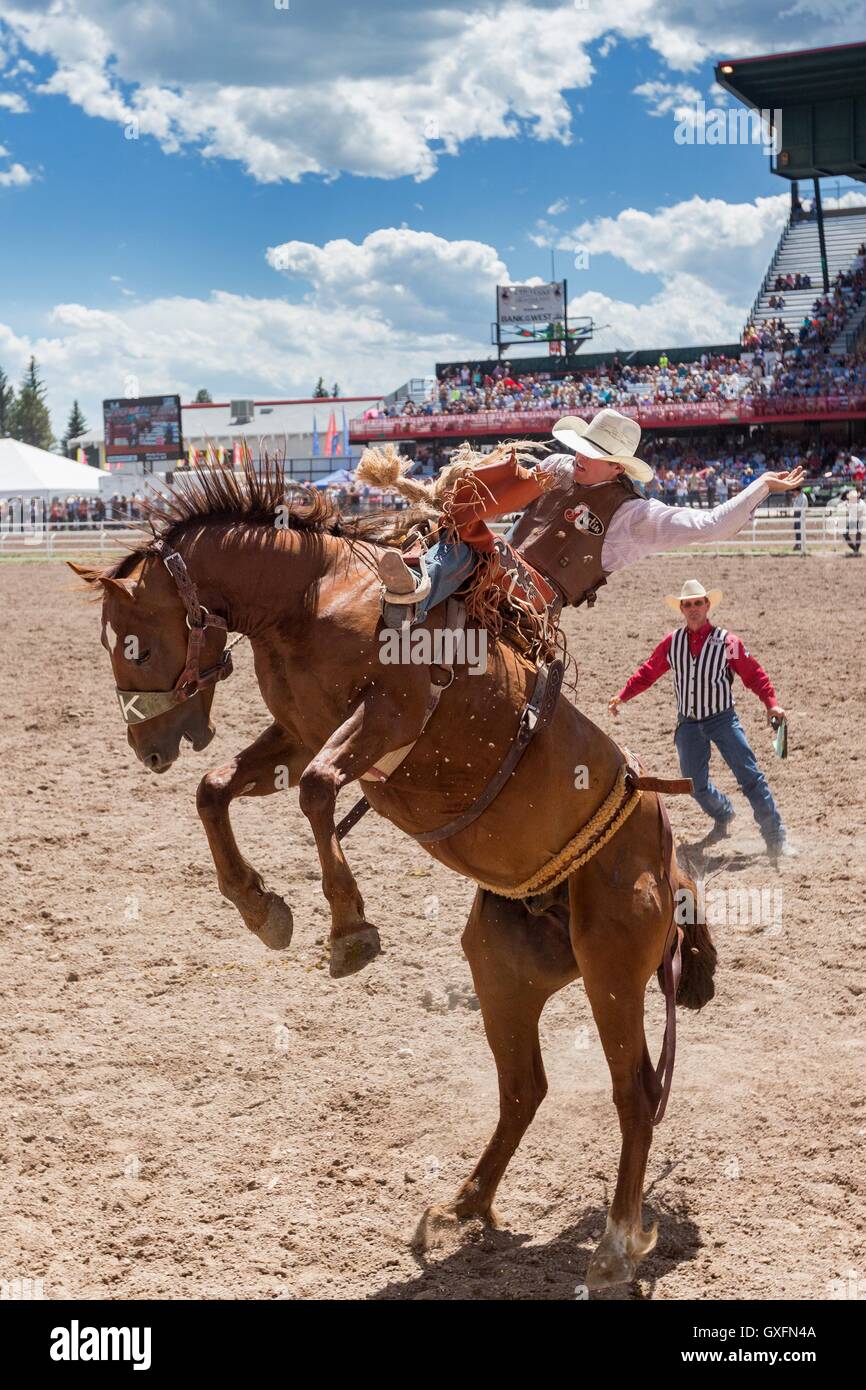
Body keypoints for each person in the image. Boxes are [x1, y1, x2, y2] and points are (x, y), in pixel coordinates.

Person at [374, 408, 806, 626]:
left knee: (473, 550)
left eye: (595, 454)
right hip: (503, 565)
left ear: (617, 467)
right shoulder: (560, 469)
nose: (582, 456)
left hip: (537, 596)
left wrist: (763, 485)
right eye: (583, 446)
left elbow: (712, 525)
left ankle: (412, 596)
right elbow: (503, 493)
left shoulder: (635, 517)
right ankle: (413, 581)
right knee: (452, 533)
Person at [608, 579, 792, 860]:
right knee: (693, 783)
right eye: (688, 604)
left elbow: (754, 675)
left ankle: (775, 837)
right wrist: (624, 695)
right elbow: (649, 672)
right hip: (689, 723)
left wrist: (772, 705)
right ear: (682, 609)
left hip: (723, 719)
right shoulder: (673, 643)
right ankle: (723, 812)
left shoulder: (728, 643)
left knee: (750, 776)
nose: (693, 609)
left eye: (698, 603)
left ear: (707, 606)